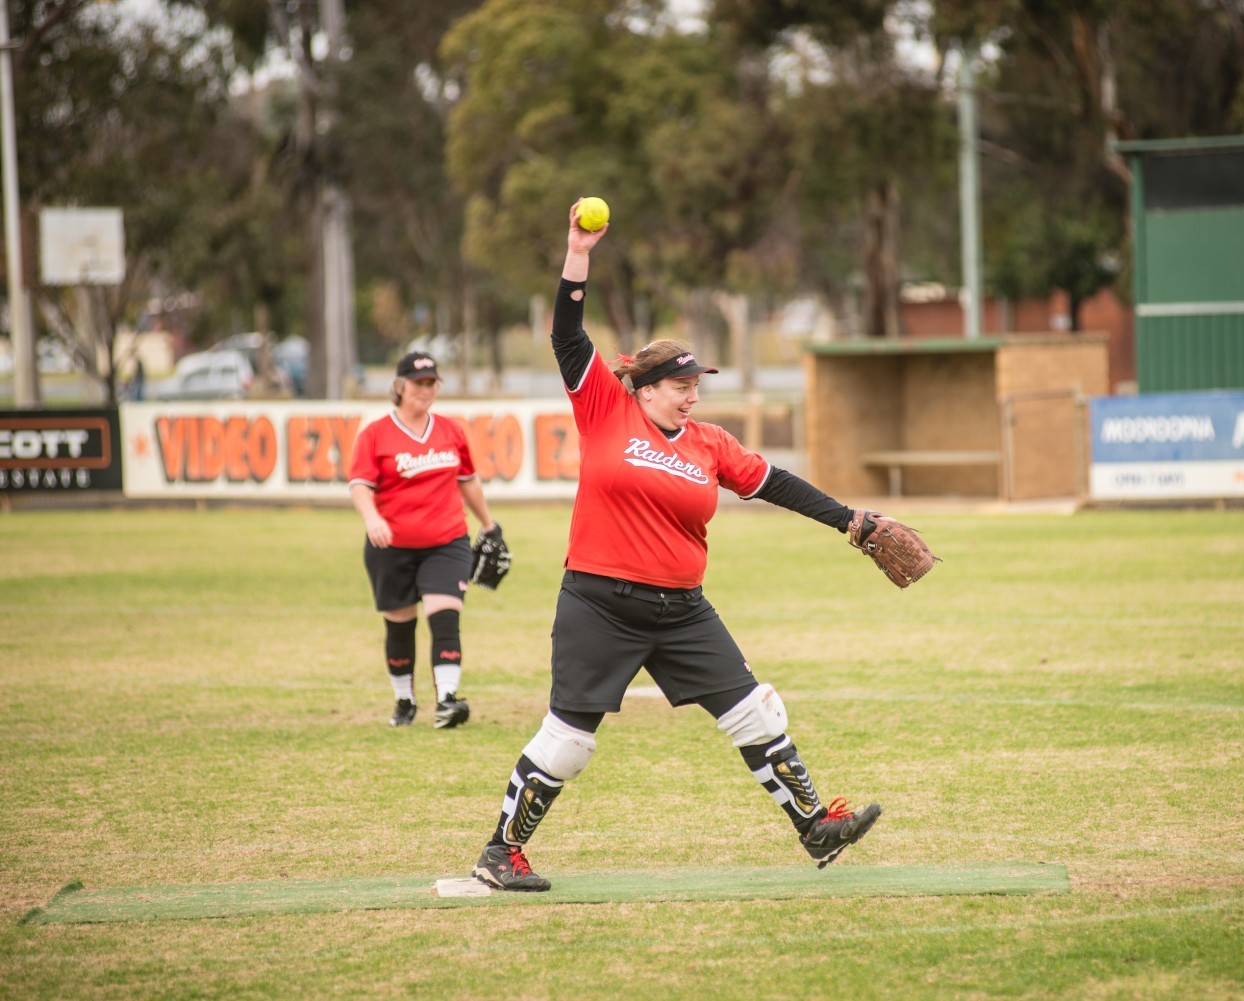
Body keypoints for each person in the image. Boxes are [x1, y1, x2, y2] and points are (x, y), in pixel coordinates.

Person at [470, 201, 882, 892]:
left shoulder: (709, 443)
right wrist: (579, 254)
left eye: (697, 386)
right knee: (569, 742)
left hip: (682, 610)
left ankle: (815, 825)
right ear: (649, 388)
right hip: (599, 603)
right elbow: (568, 334)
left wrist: (848, 519)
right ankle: (500, 851)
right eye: (682, 386)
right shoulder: (606, 408)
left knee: (757, 710)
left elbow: (772, 482)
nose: (693, 396)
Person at [349, 350, 497, 729]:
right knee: (400, 625)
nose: (425, 390)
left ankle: (447, 700)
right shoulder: (375, 434)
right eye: (418, 383)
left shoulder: (450, 430)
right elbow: (360, 485)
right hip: (391, 545)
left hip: (446, 540)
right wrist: (372, 520)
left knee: (445, 615)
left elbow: (468, 481)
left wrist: (489, 525)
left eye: (431, 382)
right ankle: (404, 700)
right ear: (398, 386)